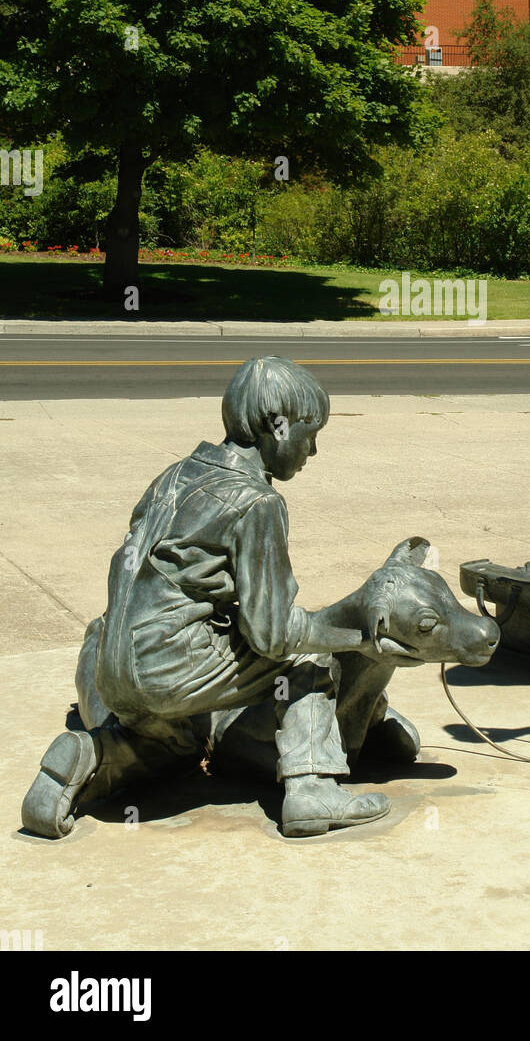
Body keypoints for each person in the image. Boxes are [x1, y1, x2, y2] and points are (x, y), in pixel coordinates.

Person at [22, 357, 405, 838]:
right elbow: (273, 633)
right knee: (311, 660)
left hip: (114, 668)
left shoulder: (174, 475)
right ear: (276, 427)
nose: (314, 449)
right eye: (309, 433)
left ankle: (89, 755)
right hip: (169, 665)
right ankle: (312, 791)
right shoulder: (257, 503)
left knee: (175, 741)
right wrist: (358, 636)